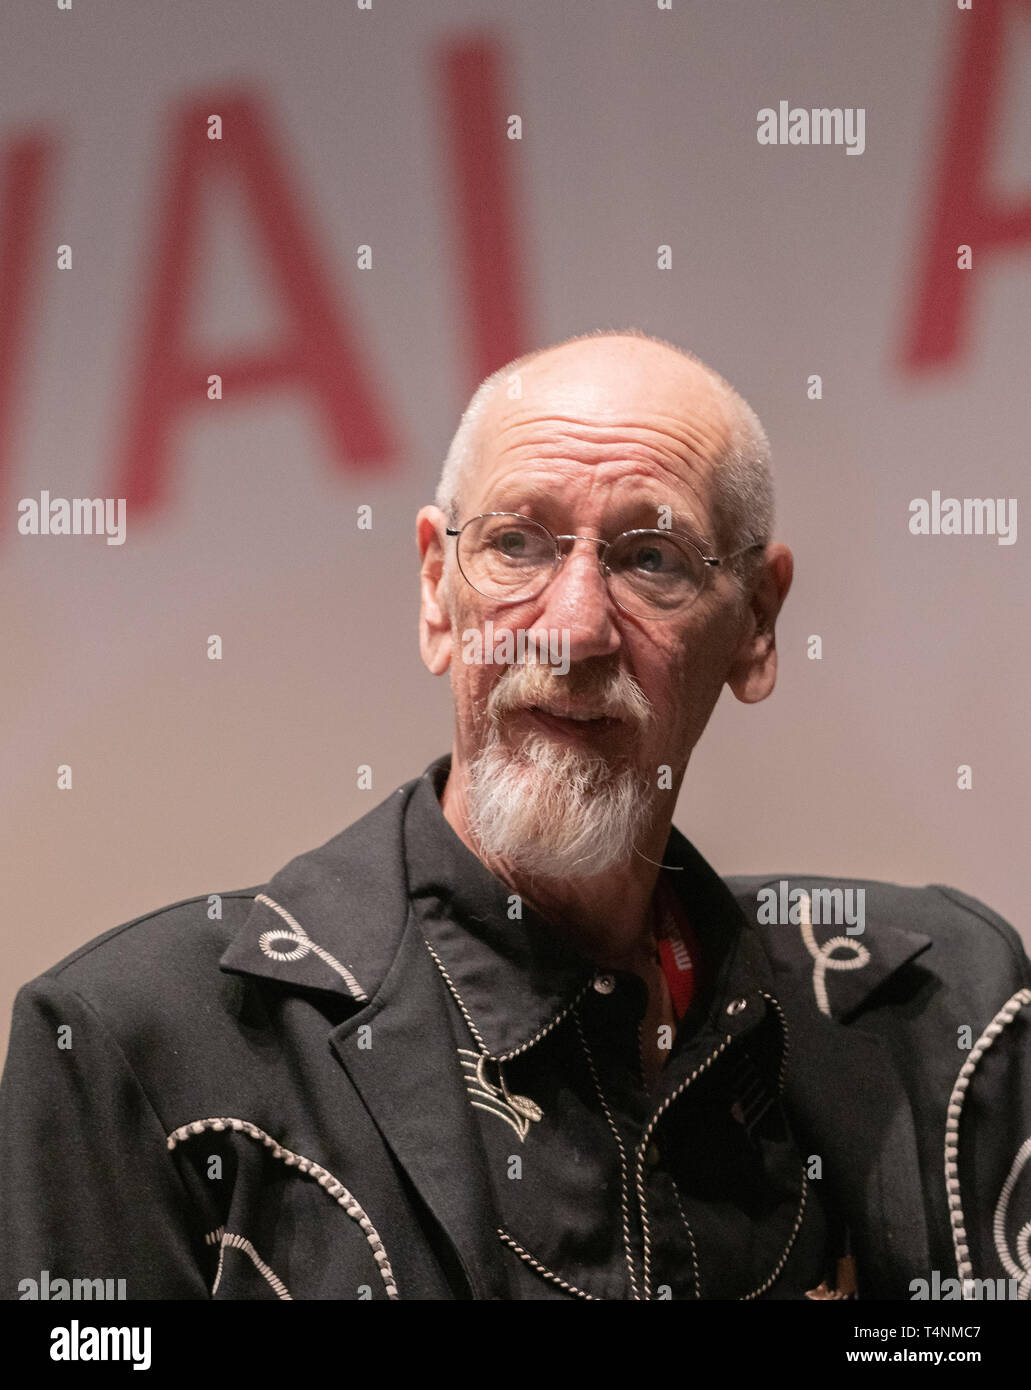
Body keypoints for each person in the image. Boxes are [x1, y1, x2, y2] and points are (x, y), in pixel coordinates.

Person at [2, 330, 1029, 1302]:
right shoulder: (145, 1049)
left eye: (650, 560)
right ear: (435, 593)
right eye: (516, 545)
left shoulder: (934, 1016)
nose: (573, 628)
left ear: (757, 624)